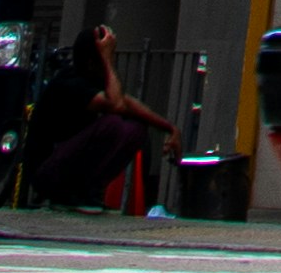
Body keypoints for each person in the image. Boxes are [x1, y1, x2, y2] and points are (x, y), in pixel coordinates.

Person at [21, 22, 173, 213]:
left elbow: (129, 104)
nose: (110, 64)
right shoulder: (69, 84)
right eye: (105, 59)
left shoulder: (91, 78)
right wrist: (107, 59)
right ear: (92, 63)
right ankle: (66, 194)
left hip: (69, 165)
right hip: (47, 172)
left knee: (136, 129)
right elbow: (116, 105)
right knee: (111, 124)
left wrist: (170, 129)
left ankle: (86, 190)